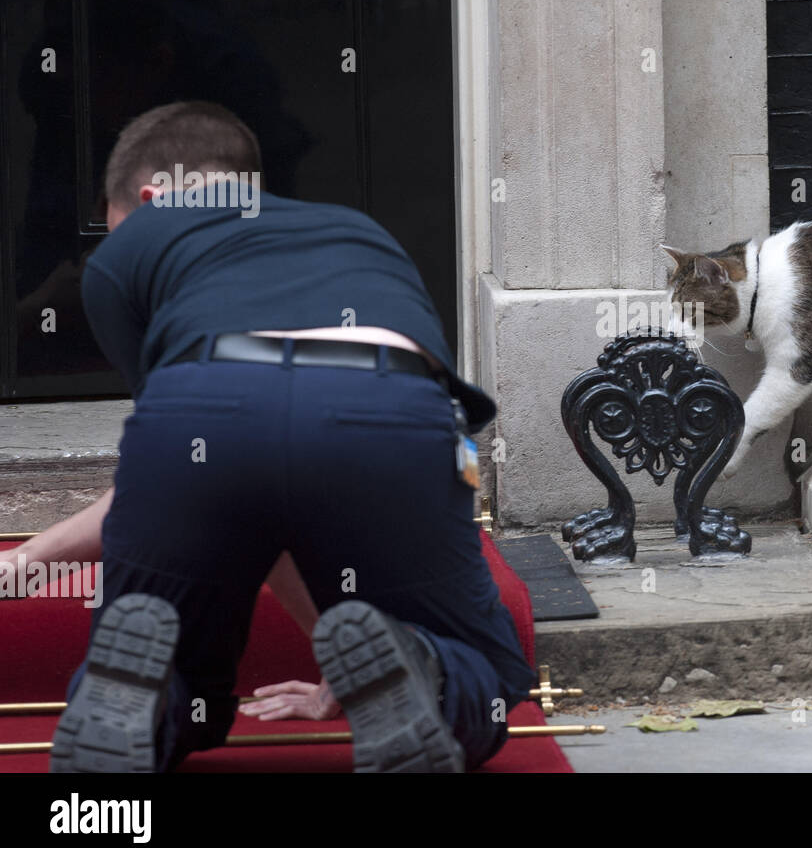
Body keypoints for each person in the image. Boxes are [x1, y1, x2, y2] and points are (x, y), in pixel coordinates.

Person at [24, 100, 534, 772]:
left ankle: (144, 702)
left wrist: (24, 560)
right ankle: (429, 670)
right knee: (484, 672)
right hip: (394, 401)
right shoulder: (359, 231)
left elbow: (226, 489)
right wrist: (361, 660)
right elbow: (289, 493)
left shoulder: (123, 257)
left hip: (211, 399)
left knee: (174, 670)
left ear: (151, 199)